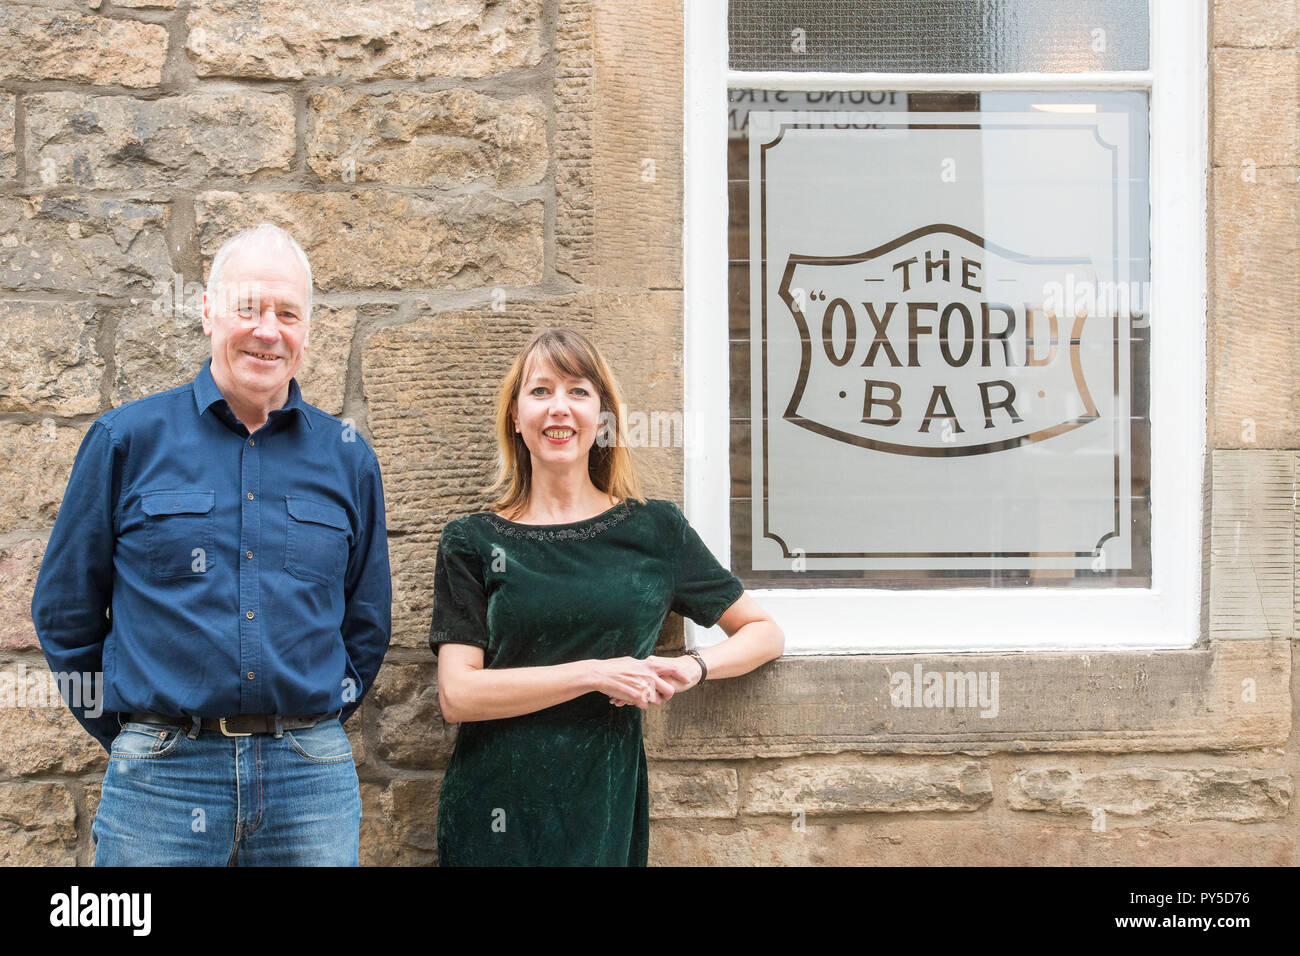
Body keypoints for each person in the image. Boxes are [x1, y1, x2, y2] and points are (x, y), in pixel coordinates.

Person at [31, 222, 391, 866]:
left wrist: (314, 726)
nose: (267, 330)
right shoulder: (126, 441)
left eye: (287, 312)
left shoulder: (347, 458)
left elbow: (367, 622)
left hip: (307, 778)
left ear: (307, 329)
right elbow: (65, 611)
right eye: (248, 307)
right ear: (207, 312)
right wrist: (134, 731)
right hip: (162, 781)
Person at [431, 328, 783, 866]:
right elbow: (458, 695)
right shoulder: (472, 541)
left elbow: (764, 633)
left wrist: (692, 666)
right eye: (541, 391)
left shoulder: (654, 529)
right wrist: (594, 673)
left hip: (602, 804)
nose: (559, 409)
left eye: (578, 391)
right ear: (515, 416)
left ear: (603, 417)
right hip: (495, 809)